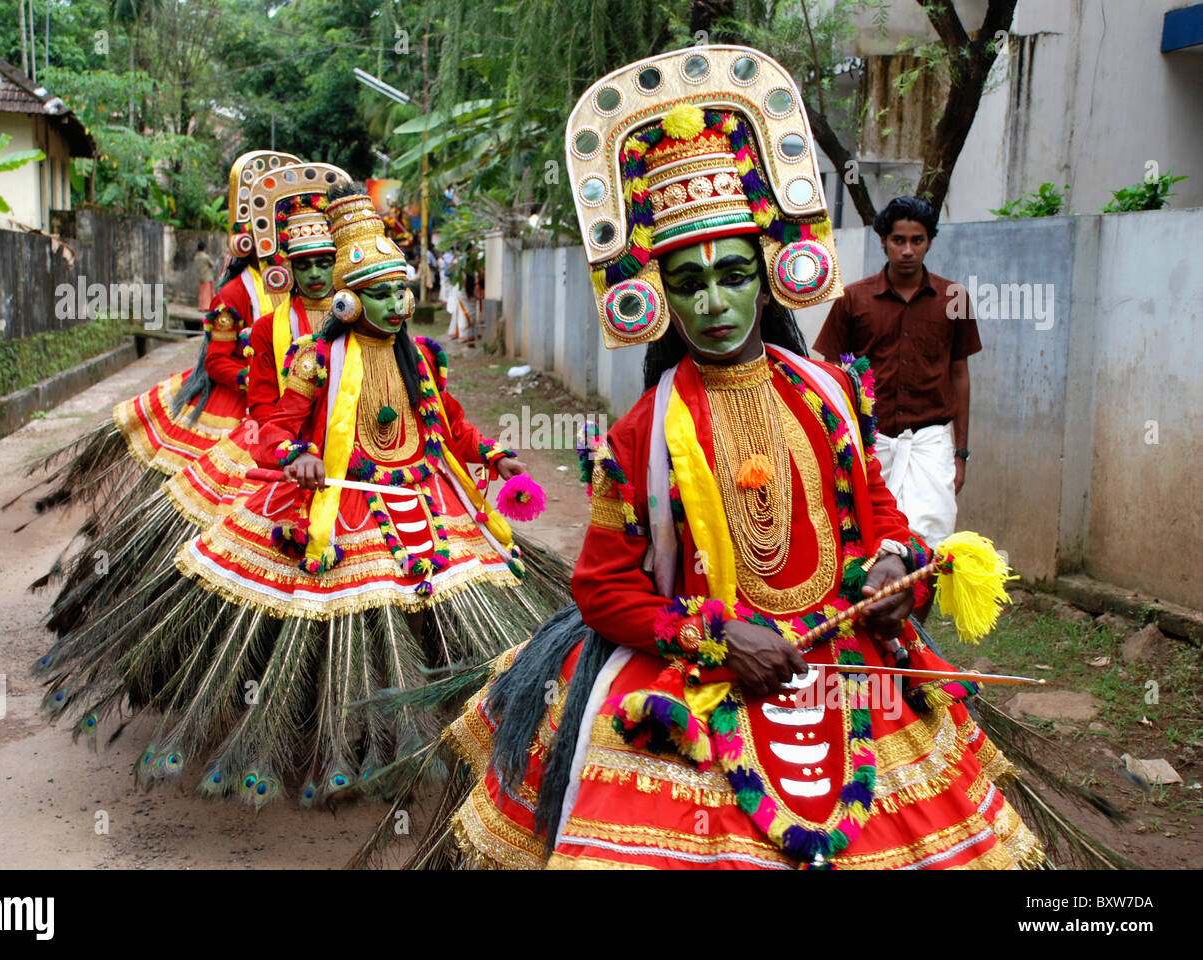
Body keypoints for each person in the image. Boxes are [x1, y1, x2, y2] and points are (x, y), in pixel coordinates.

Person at [429, 47, 1041, 870]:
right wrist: (719, 638)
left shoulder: (830, 393)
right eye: (687, 282)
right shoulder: (641, 434)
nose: (713, 303)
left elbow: (874, 512)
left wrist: (895, 562)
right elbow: (603, 588)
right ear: (659, 294)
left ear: (767, 273)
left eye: (731, 274)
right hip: (705, 674)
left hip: (840, 662)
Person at [33, 192, 570, 808]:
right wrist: (299, 457)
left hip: (425, 494)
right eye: (382, 293)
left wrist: (491, 455)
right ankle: (340, 723)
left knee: (439, 600)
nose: (398, 305)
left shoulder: (420, 356)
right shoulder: (316, 359)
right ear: (348, 300)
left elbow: (448, 425)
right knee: (344, 613)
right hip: (338, 507)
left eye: (401, 292)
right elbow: (278, 429)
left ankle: (462, 719)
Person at [40, 163, 356, 638]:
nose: (313, 272)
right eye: (301, 260)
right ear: (276, 254)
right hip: (262, 417)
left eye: (323, 260)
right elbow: (217, 360)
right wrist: (271, 388)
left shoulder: (353, 312)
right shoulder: (236, 294)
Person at [813, 196, 981, 550]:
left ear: (929, 242)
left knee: (933, 540)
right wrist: (833, 446)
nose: (907, 250)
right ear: (883, 242)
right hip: (870, 444)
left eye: (916, 240)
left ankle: (915, 607)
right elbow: (829, 376)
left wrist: (960, 454)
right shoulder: (853, 299)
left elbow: (960, 375)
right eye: (898, 240)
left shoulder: (954, 297)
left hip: (931, 442)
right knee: (867, 538)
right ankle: (884, 606)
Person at [194, 240, 215, 312]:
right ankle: (205, 307)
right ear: (204, 248)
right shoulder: (206, 257)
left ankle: (201, 306)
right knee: (207, 292)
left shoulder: (196, 257)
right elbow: (212, 264)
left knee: (202, 292)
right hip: (207, 277)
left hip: (200, 276)